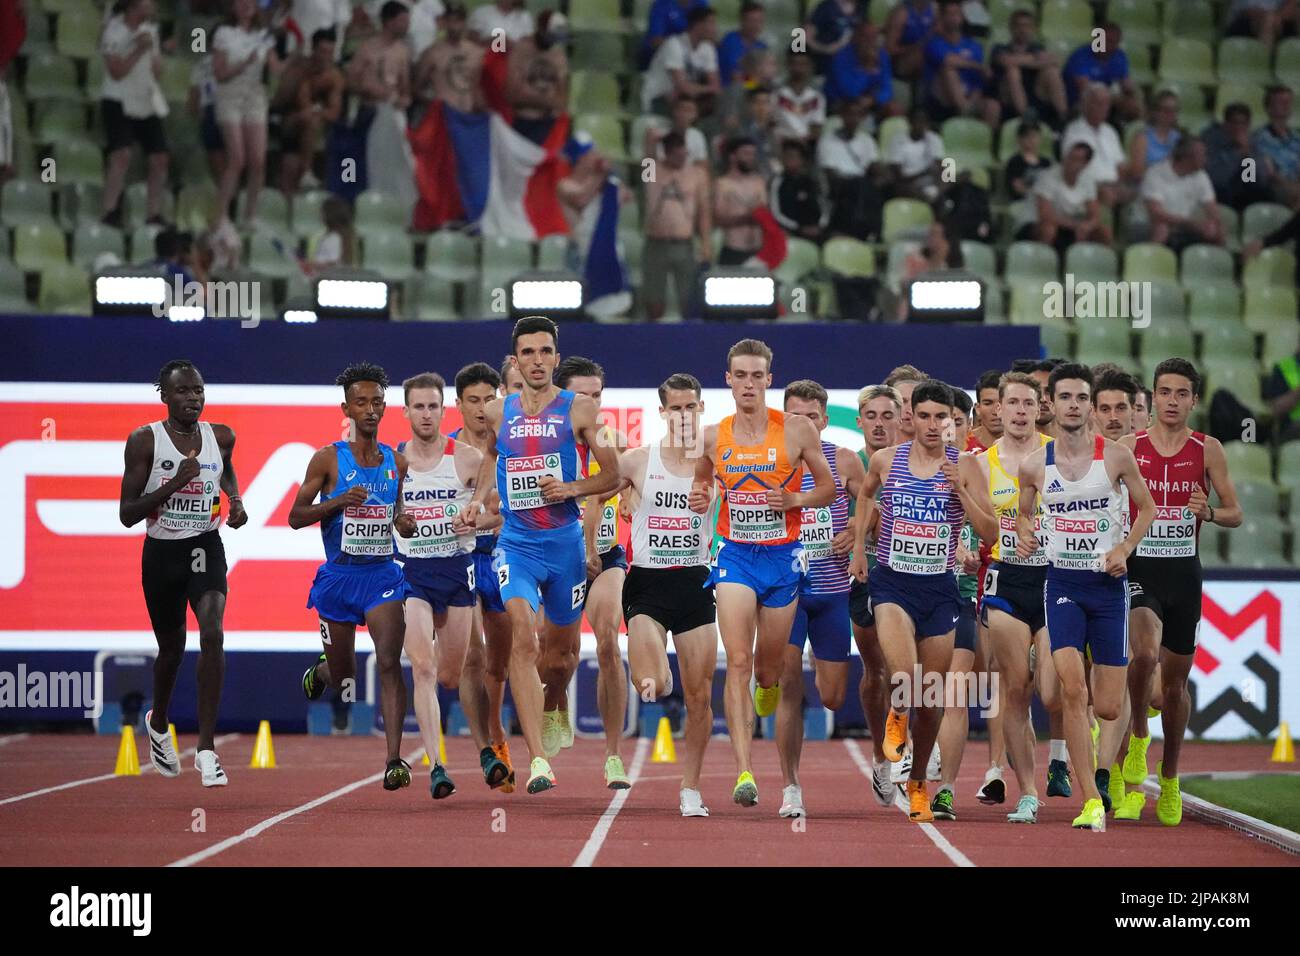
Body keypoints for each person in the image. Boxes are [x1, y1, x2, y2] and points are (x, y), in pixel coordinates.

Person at [462, 317, 621, 794]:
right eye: (527, 352)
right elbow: (493, 456)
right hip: (517, 545)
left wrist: (570, 486)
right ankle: (537, 760)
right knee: (522, 644)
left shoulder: (581, 409)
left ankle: (555, 700)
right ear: (515, 359)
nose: (536, 360)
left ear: (555, 357)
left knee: (561, 656)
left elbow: (611, 475)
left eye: (545, 352)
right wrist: (480, 497)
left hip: (566, 544)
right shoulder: (497, 411)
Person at [689, 339, 835, 807]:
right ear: (728, 380)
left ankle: (767, 688)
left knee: (769, 668)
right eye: (740, 376)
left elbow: (829, 487)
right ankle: (744, 771)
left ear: (769, 380)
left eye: (757, 376)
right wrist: (701, 494)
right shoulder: (713, 435)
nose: (748, 384)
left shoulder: (795, 430)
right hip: (734, 555)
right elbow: (702, 476)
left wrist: (795, 500)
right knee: (737, 661)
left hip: (783, 558)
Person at [1015, 363, 1156, 831]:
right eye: (1066, 398)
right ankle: (1091, 799)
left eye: (1082, 398)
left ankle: (1097, 737)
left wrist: (1125, 547)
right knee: (1072, 690)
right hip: (1063, 586)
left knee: (1109, 705)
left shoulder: (1115, 457)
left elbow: (1149, 507)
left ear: (1089, 406)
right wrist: (1026, 533)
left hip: (1108, 590)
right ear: (1051, 405)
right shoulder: (1035, 465)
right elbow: (1023, 514)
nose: (1074, 406)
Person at [850, 380, 997, 822]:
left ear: (954, 422)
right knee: (903, 674)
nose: (934, 426)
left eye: (944, 418)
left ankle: (917, 785)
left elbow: (990, 533)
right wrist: (859, 546)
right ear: (910, 417)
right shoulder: (887, 459)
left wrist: (962, 493)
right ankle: (897, 712)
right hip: (892, 584)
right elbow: (864, 494)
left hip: (940, 590)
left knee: (931, 700)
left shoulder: (966, 464)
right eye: (926, 416)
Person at [1119, 359, 1242, 825]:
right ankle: (1136, 736)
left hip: (1184, 574)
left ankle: (1169, 779)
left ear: (1193, 399)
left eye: (1181, 394)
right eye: (1164, 392)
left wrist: (1207, 512)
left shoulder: (1207, 449)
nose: (1172, 401)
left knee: (1173, 687)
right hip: (1140, 569)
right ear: (1151, 397)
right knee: (1144, 655)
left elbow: (1236, 512)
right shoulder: (1128, 447)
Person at [291, 362, 418, 791]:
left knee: (387, 662)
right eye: (360, 402)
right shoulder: (327, 459)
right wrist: (339, 501)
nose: (369, 410)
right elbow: (295, 516)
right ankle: (324, 671)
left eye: (377, 402)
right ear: (346, 407)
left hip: (382, 575)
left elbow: (397, 515)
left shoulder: (397, 463)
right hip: (339, 579)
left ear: (385, 407)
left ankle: (395, 760)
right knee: (345, 676)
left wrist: (403, 524)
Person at [119, 360, 246, 787]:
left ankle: (207, 750)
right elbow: (127, 514)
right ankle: (159, 723)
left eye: (198, 390)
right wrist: (176, 481)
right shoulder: (144, 442)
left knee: (212, 633)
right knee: (171, 648)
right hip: (162, 555)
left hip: (204, 548)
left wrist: (236, 499)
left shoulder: (220, 436)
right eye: (183, 392)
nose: (193, 398)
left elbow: (224, 467)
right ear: (164, 396)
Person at [620, 373, 720, 817]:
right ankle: (658, 672)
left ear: (701, 409)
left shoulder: (718, 461)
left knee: (700, 698)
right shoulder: (639, 460)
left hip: (695, 583)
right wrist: (617, 493)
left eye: (691, 407)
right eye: (675, 408)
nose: (684, 415)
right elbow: (594, 481)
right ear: (663, 413)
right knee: (653, 687)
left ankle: (691, 788)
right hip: (647, 582)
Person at [393, 372, 495, 799]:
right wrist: (396, 519)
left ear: (443, 409)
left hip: (456, 570)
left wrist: (474, 514)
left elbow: (499, 513)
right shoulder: (393, 462)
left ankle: (464, 741)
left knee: (450, 675)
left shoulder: (467, 458)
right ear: (406, 412)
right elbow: (380, 515)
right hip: (411, 573)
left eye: (433, 406)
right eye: (418, 407)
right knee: (423, 668)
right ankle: (437, 766)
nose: (426, 414)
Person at [776, 380, 867, 818]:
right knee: (789, 689)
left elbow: (877, 504)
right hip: (786, 593)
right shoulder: (770, 459)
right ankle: (790, 786)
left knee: (831, 697)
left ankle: (796, 667)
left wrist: (855, 530)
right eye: (796, 416)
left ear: (825, 420)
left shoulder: (844, 459)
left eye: (813, 417)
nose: (805, 424)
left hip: (831, 593)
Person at [971, 372, 1052, 822]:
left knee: (1053, 689)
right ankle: (1027, 792)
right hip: (1005, 577)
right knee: (1015, 689)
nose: (1020, 411)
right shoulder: (983, 464)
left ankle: (1058, 756)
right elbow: (982, 527)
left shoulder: (1059, 456)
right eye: (1012, 403)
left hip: (1055, 579)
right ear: (997, 409)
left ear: (1039, 408)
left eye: (1028, 403)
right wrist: (973, 548)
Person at [549, 357, 632, 789]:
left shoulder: (612, 440)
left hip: (606, 559)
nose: (594, 403)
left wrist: (634, 500)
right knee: (555, 657)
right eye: (584, 396)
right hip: (557, 560)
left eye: (599, 394)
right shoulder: (546, 445)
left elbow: (622, 487)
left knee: (606, 645)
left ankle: (613, 755)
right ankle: (555, 701)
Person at [449, 362, 516, 791]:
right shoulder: (444, 451)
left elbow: (515, 511)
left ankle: (497, 729)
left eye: (487, 399)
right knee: (471, 656)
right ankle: (487, 749)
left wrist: (486, 520)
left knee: (500, 662)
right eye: (471, 400)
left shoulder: (510, 448)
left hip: (500, 557)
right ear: (457, 405)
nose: (480, 408)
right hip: (459, 560)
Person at [930, 385, 988, 820]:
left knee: (955, 692)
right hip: (914, 596)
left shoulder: (977, 468)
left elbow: (991, 532)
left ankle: (946, 788)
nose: (946, 428)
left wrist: (963, 491)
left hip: (963, 597)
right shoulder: (903, 464)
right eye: (939, 419)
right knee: (914, 688)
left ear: (969, 426)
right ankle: (914, 754)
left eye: (956, 421)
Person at [848, 384, 903, 802]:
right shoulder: (852, 465)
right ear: (860, 420)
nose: (880, 424)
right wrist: (853, 534)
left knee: (910, 668)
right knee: (878, 672)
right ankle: (882, 757)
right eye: (872, 417)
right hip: (865, 577)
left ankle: (909, 750)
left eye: (888, 416)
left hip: (915, 578)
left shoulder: (912, 464)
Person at [99, 0, 169, 228]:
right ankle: (109, 210)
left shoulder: (151, 32)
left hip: (146, 98)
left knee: (160, 158)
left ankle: (153, 214)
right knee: (122, 155)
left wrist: (153, 50)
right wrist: (139, 49)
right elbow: (116, 71)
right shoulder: (113, 30)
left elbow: (157, 72)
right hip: (117, 99)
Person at [213, 0, 281, 227]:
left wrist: (297, 57)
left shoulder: (263, 36)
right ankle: (221, 215)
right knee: (237, 158)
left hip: (255, 95)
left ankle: (251, 215)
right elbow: (219, 73)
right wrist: (244, 64)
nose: (247, 5)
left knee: (258, 160)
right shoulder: (223, 33)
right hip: (230, 94)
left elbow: (275, 68)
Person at [642, 131, 712, 320]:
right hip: (656, 242)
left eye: (684, 154)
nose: (681, 159)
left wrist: (706, 243)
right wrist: (651, 141)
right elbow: (646, 162)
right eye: (676, 155)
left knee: (688, 297)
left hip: (684, 242)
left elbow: (704, 212)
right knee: (654, 297)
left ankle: (688, 336)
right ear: (666, 152)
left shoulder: (697, 174)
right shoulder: (653, 170)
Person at [273, 28, 344, 194]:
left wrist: (315, 113)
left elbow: (334, 112)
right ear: (313, 50)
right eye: (322, 51)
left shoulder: (335, 77)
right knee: (290, 167)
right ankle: (305, 173)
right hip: (288, 120)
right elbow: (283, 102)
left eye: (330, 52)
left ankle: (306, 172)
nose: (325, 57)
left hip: (315, 125)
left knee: (312, 121)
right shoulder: (299, 70)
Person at [818, 96, 884, 241]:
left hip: (863, 184)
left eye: (857, 115)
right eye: (849, 114)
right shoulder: (827, 141)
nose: (853, 119)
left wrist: (878, 178)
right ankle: (857, 231)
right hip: (839, 185)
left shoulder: (867, 140)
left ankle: (873, 233)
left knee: (875, 186)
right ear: (842, 116)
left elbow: (876, 169)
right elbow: (830, 174)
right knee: (857, 186)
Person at [1027, 141, 1113, 253]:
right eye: (1069, 156)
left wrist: (1087, 226)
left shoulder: (1088, 180)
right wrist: (1076, 226)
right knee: (1049, 229)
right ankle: (1043, 266)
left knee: (1104, 232)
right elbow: (1046, 215)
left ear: (1085, 164)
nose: (1069, 162)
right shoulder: (1048, 176)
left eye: (1076, 159)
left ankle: (1086, 268)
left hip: (1070, 225)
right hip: (1038, 224)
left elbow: (1095, 215)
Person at [923, 0, 999, 126]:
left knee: (992, 106)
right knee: (949, 70)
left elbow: (978, 81)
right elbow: (948, 60)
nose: (954, 17)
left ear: (963, 16)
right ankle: (965, 112)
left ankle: (986, 142)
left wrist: (972, 100)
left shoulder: (974, 45)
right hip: (941, 101)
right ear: (941, 17)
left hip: (970, 98)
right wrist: (977, 65)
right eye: (949, 14)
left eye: (957, 13)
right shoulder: (934, 43)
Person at [1141, 137, 1224, 252]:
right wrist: (1191, 224)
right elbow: (1156, 213)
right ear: (1187, 157)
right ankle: (1149, 262)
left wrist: (1214, 223)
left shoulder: (1201, 176)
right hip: (1148, 224)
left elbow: (1211, 208)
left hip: (1183, 226)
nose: (1206, 158)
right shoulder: (1155, 173)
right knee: (1162, 229)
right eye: (1202, 155)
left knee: (1212, 228)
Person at [991, 7, 1066, 125]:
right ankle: (1025, 116)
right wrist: (1035, 60)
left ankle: (1064, 116)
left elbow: (1056, 61)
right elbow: (1006, 61)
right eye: (1019, 25)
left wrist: (1019, 59)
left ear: (1032, 29)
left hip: (1035, 92)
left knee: (1052, 71)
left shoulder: (1037, 48)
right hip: (1007, 97)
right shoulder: (1000, 48)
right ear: (1011, 28)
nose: (1023, 29)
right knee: (1012, 71)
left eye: (1027, 26)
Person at [505, 10, 570, 144]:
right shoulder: (521, 50)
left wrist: (531, 98)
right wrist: (546, 101)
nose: (552, 42)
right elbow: (511, 95)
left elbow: (561, 102)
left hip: (548, 126)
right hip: (521, 124)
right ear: (540, 29)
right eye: (549, 36)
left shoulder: (559, 56)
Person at [641, 7, 720, 116]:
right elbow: (682, 86)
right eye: (711, 23)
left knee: (719, 103)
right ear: (697, 25)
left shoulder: (708, 48)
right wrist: (707, 89)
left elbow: (715, 85)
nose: (715, 28)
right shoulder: (674, 45)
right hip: (659, 99)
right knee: (686, 108)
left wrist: (699, 89)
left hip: (686, 100)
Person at [1062, 84, 1131, 207]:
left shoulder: (1110, 131)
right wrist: (1099, 186)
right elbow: (1073, 167)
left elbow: (1120, 165)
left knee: (1144, 192)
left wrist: (1119, 183)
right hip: (1089, 185)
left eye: (1106, 104)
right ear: (1085, 104)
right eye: (1098, 103)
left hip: (1113, 184)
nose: (1103, 108)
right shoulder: (1074, 131)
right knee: (1107, 195)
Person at [1061, 22, 1140, 121]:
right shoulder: (1081, 56)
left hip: (1107, 102)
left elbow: (1126, 83)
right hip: (1079, 104)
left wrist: (1131, 95)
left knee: (1134, 103)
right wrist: (1117, 100)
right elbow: (1086, 89)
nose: (1109, 45)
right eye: (1106, 41)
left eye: (1113, 42)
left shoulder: (1119, 56)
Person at [414, 3, 484, 115]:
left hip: (470, 115)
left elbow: (481, 86)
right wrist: (433, 104)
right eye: (450, 21)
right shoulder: (432, 53)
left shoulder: (477, 53)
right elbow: (416, 88)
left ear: (465, 23)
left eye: (458, 21)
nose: (454, 26)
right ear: (444, 23)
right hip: (443, 116)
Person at [1203, 103, 1275, 211]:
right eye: (1235, 122)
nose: (1239, 127)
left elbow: (1258, 179)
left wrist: (1247, 154)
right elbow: (1218, 178)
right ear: (1226, 124)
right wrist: (1238, 154)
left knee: (1263, 192)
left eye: (1243, 123)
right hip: (1221, 191)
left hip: (1245, 191)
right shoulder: (1212, 140)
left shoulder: (1252, 142)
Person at [713, 137, 768, 265]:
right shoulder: (722, 184)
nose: (751, 158)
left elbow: (765, 212)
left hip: (758, 249)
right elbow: (718, 219)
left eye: (753, 154)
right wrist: (746, 218)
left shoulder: (759, 182)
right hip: (734, 249)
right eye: (746, 153)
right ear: (733, 157)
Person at [824, 21, 895, 115]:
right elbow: (849, 90)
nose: (870, 41)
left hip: (870, 100)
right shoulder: (841, 57)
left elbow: (887, 88)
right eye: (866, 37)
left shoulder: (882, 55)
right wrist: (867, 66)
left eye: (874, 37)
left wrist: (873, 98)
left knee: (894, 108)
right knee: (853, 108)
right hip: (842, 101)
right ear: (856, 38)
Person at [1251, 86, 1300, 208]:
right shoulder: (1258, 139)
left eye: (1288, 102)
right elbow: (1270, 174)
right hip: (1275, 187)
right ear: (1268, 108)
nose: (1286, 105)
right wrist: (1292, 187)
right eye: (1281, 102)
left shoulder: (1297, 137)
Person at [771, 139, 828, 242]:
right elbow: (776, 213)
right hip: (791, 230)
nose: (789, 159)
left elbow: (823, 207)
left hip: (816, 230)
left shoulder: (811, 182)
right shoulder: (777, 182)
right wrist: (798, 228)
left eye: (793, 156)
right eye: (786, 156)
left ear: (802, 160)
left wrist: (820, 225)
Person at [886, 106, 946, 202]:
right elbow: (898, 175)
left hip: (931, 182)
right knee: (902, 187)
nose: (920, 125)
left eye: (923, 121)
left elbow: (939, 166)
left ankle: (936, 197)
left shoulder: (934, 139)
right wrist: (924, 173)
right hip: (909, 183)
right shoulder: (898, 140)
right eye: (917, 121)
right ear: (909, 122)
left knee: (954, 177)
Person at [1126, 90, 1182, 186]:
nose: (1170, 114)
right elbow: (1136, 174)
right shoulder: (1142, 138)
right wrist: (1163, 165)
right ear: (1156, 112)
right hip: (1148, 185)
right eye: (1166, 110)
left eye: (1174, 110)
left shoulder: (1179, 138)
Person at [774, 51, 827, 148]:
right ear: (788, 65)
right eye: (794, 63)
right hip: (780, 144)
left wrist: (806, 143)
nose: (798, 68)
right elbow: (773, 124)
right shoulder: (777, 94)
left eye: (803, 64)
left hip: (804, 148)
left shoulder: (816, 97)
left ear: (809, 67)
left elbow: (816, 127)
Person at [188, 52, 226, 184]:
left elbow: (192, 104)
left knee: (219, 165)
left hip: (213, 112)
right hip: (237, 110)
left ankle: (228, 198)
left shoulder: (201, 64)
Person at [645, 94, 710, 169]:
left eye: (689, 111)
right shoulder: (655, 134)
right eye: (682, 109)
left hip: (687, 177)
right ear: (675, 111)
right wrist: (650, 145)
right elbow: (647, 174)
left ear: (695, 115)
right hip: (662, 176)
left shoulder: (697, 136)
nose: (685, 114)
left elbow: (703, 168)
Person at [805, 0, 866, 75]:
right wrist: (826, 49)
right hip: (823, 65)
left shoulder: (860, 9)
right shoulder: (826, 7)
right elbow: (807, 38)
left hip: (847, 67)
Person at [718, 1, 770, 87]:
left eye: (760, 21)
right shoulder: (730, 41)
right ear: (742, 20)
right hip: (731, 92)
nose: (756, 25)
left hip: (754, 92)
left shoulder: (762, 46)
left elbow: (768, 75)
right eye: (752, 21)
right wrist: (758, 82)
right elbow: (736, 78)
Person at [885, 0, 937, 82]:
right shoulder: (902, 13)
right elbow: (889, 49)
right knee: (922, 55)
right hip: (900, 61)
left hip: (927, 53)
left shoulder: (934, 10)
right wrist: (914, 47)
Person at [1003, 120, 1050, 201]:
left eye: (1034, 136)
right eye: (1027, 136)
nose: (1031, 140)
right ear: (1019, 139)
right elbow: (1017, 189)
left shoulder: (1046, 163)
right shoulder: (1014, 162)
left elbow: (1051, 188)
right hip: (1022, 203)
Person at [310, 195, 356, 269]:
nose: (319, 215)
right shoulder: (330, 236)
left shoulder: (335, 238)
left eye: (322, 212)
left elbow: (335, 265)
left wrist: (313, 265)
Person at [468, 0, 534, 44]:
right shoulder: (482, 12)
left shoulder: (525, 16)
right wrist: (493, 41)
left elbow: (528, 41)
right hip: (486, 55)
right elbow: (472, 39)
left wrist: (509, 44)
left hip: (514, 57)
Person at [971, 368, 1003, 449]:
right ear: (978, 408)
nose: (996, 412)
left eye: (1001, 403)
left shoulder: (1031, 446)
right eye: (988, 403)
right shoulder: (960, 445)